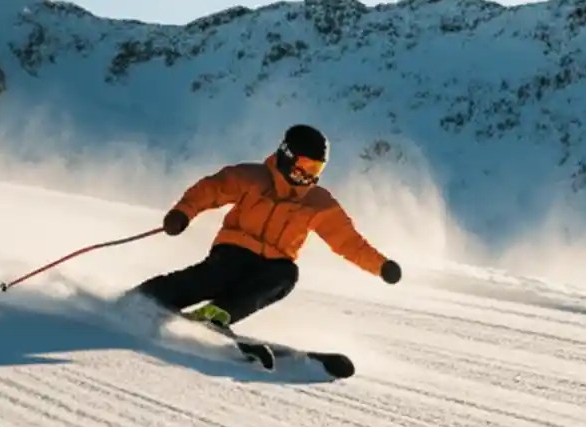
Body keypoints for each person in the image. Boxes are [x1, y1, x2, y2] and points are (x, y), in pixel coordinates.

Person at [133, 124, 402, 329]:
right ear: (287, 156)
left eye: (317, 168)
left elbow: (348, 242)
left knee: (286, 276)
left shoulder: (318, 203)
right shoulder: (252, 177)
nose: (309, 174)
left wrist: (381, 266)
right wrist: (182, 213)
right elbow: (211, 190)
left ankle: (218, 314)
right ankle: (145, 298)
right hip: (235, 251)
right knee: (213, 278)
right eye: (305, 165)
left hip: (274, 264)